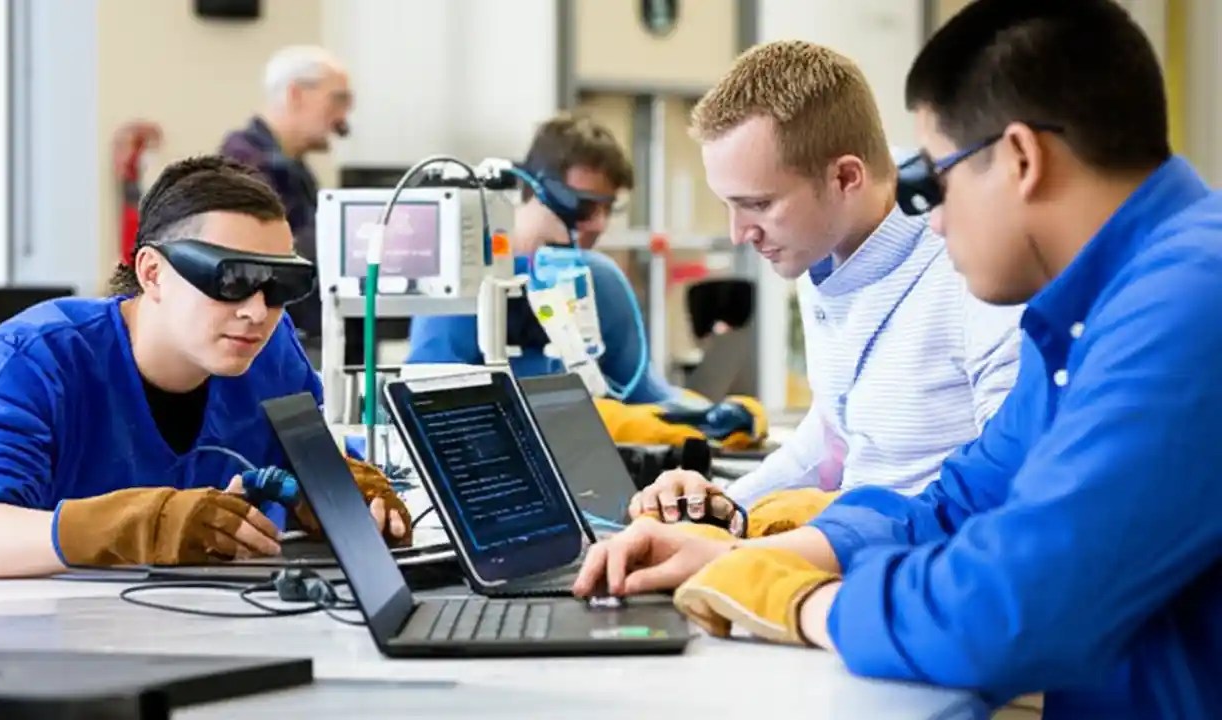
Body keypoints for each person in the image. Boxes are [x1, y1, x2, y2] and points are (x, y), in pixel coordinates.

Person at [574, 0, 1222, 716]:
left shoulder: (1191, 304)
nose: (931, 216)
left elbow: (1011, 609)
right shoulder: (1089, 309)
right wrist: (744, 558)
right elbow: (957, 501)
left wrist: (806, 604)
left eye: (934, 180)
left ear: (1020, 159)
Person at [0, 156, 408, 580]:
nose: (256, 312)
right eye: (233, 279)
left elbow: (300, 463)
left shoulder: (270, 352)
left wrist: (338, 490)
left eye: (280, 286)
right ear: (152, 273)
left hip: (198, 626)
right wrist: (132, 526)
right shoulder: (34, 358)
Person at [627, 39, 1021, 533]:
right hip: (858, 550)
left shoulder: (975, 267)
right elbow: (836, 436)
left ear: (845, 178)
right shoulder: (824, 245)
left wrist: (814, 540)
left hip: (919, 567)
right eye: (730, 205)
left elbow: (1013, 490)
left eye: (759, 204)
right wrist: (724, 506)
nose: (739, 233)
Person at [407, 112, 687, 405]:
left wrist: (716, 417)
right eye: (585, 206)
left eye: (608, 208)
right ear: (539, 189)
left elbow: (644, 394)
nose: (599, 225)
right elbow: (428, 401)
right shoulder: (466, 280)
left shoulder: (601, 281)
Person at [220, 45, 353, 356]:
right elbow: (274, 256)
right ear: (296, 94)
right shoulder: (246, 164)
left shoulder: (292, 168)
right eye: (338, 99)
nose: (344, 116)